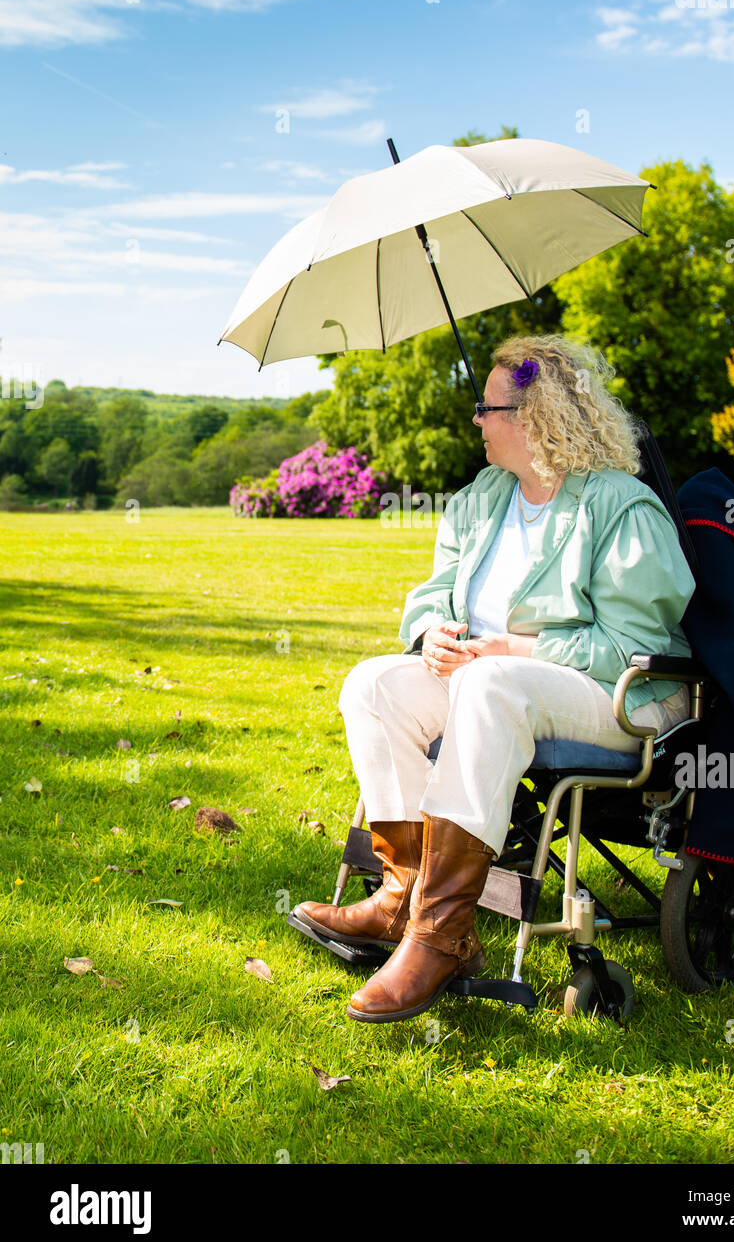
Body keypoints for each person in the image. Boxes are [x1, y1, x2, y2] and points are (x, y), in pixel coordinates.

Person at [295, 334, 696, 1024]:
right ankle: (401, 898)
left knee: (492, 684)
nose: (475, 420)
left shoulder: (621, 506)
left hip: (621, 702)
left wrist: (514, 648)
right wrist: (432, 636)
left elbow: (635, 644)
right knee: (374, 683)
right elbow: (433, 593)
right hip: (498, 688)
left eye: (487, 407)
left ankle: (441, 933)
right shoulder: (482, 497)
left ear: (534, 415)